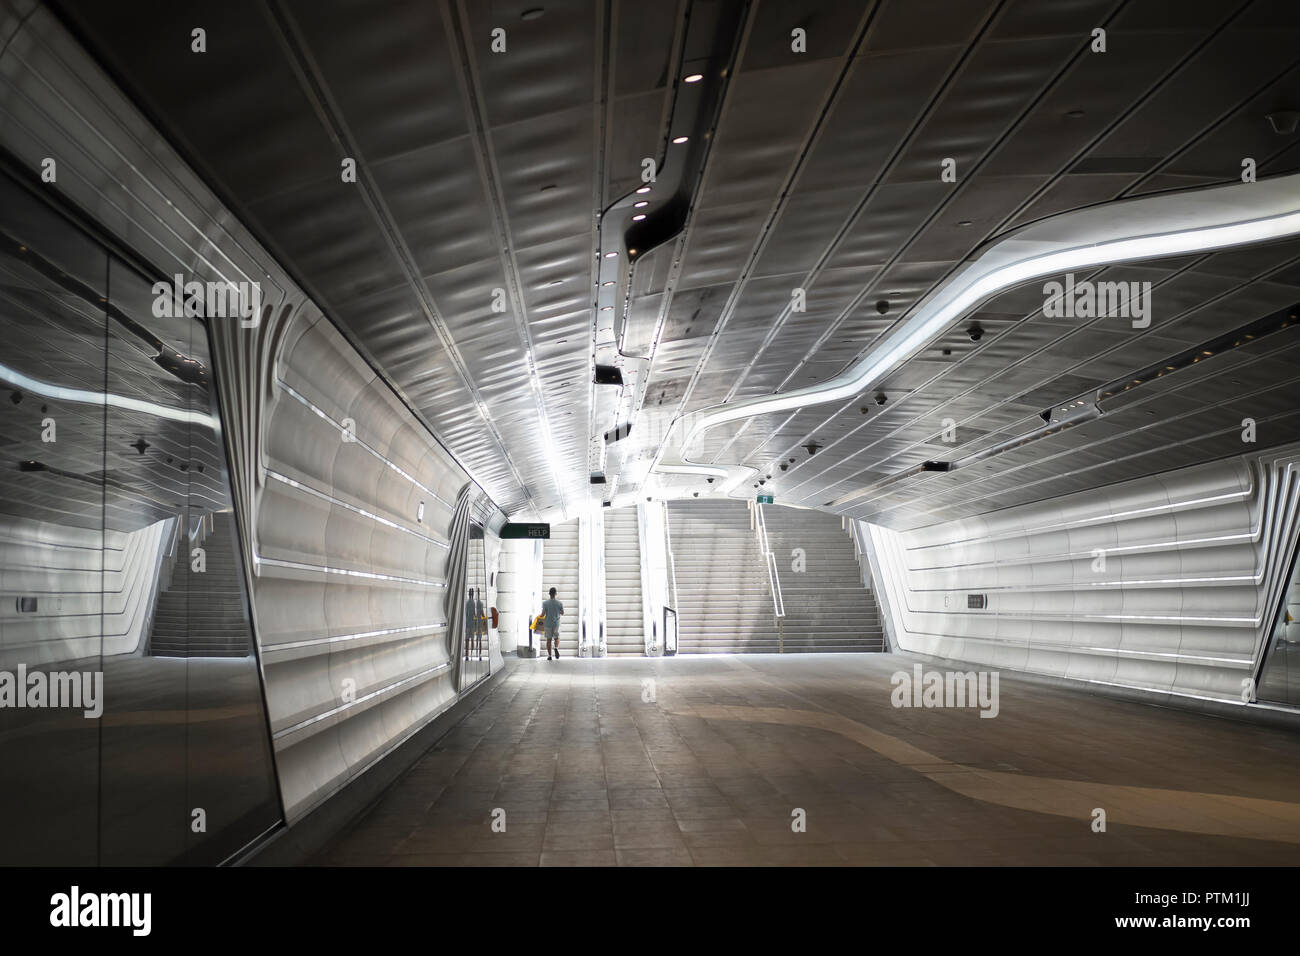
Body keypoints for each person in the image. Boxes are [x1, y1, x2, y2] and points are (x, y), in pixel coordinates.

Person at [542, 587, 564, 660]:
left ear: (549, 594)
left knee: (549, 640)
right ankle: (556, 648)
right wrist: (557, 611)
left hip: (548, 623)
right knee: (557, 638)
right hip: (556, 624)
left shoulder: (545, 603)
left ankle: (550, 656)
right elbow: (562, 613)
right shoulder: (559, 603)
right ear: (555, 594)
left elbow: (543, 614)